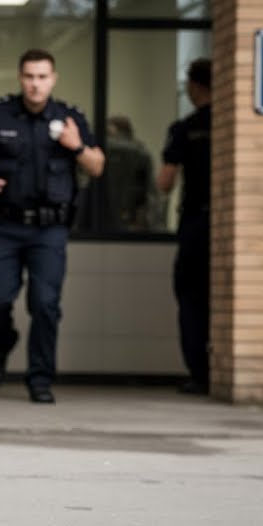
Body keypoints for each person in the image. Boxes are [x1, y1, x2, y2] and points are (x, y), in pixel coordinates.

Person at [0, 48, 105, 404]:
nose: (35, 84)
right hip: (3, 226)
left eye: (42, 77)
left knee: (45, 305)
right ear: (20, 78)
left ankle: (40, 379)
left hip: (49, 230)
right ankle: (3, 341)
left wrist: (77, 146)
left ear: (53, 79)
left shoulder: (69, 118)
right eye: (29, 76)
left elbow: (97, 165)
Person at [157, 58, 212, 396]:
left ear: (194, 86)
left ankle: (199, 374)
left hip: (196, 224)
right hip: (232, 226)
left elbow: (165, 182)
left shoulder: (184, 128)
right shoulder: (235, 123)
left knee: (191, 298)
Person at [103, 115, 158, 232]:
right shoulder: (141, 151)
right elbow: (151, 192)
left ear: (113, 129)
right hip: (132, 220)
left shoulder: (101, 150)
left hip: (102, 219)